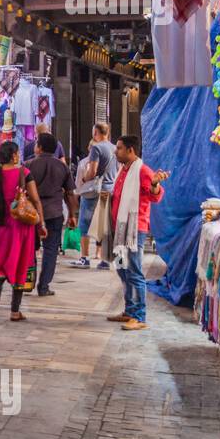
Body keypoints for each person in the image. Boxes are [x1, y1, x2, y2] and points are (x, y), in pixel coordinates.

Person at [107, 134, 168, 331]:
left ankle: (139, 316)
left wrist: (156, 184)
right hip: (119, 230)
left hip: (134, 231)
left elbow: (155, 197)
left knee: (134, 271)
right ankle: (130, 310)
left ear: (130, 151)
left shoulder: (142, 170)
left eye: (119, 148)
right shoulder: (123, 170)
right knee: (122, 268)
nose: (116, 152)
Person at [0, 141, 45, 322]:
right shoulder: (23, 173)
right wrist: (41, 224)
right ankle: (15, 312)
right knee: (19, 266)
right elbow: (35, 199)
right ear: (14, 155)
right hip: (20, 227)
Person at [26, 132, 76, 296]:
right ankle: (44, 286)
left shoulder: (28, 165)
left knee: (29, 249)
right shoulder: (62, 166)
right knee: (51, 250)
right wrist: (72, 215)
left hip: (31, 214)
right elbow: (70, 193)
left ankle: (28, 282)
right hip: (54, 212)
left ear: (39, 147)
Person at [71, 122, 118, 269]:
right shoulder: (115, 148)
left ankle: (84, 258)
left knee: (84, 223)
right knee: (105, 224)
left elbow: (92, 171)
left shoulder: (96, 148)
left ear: (96, 132)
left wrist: (84, 179)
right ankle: (105, 260)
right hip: (109, 190)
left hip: (94, 190)